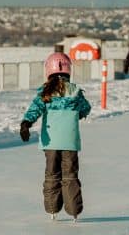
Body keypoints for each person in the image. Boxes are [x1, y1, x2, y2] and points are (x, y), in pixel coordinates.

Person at [19, 51, 93, 221]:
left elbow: (35, 109)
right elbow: (86, 108)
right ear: (68, 70)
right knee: (70, 174)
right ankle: (74, 210)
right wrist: (77, 114)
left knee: (52, 174)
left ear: (49, 70)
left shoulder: (45, 92)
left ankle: (52, 209)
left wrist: (26, 124)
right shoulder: (75, 91)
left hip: (50, 141)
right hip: (70, 140)